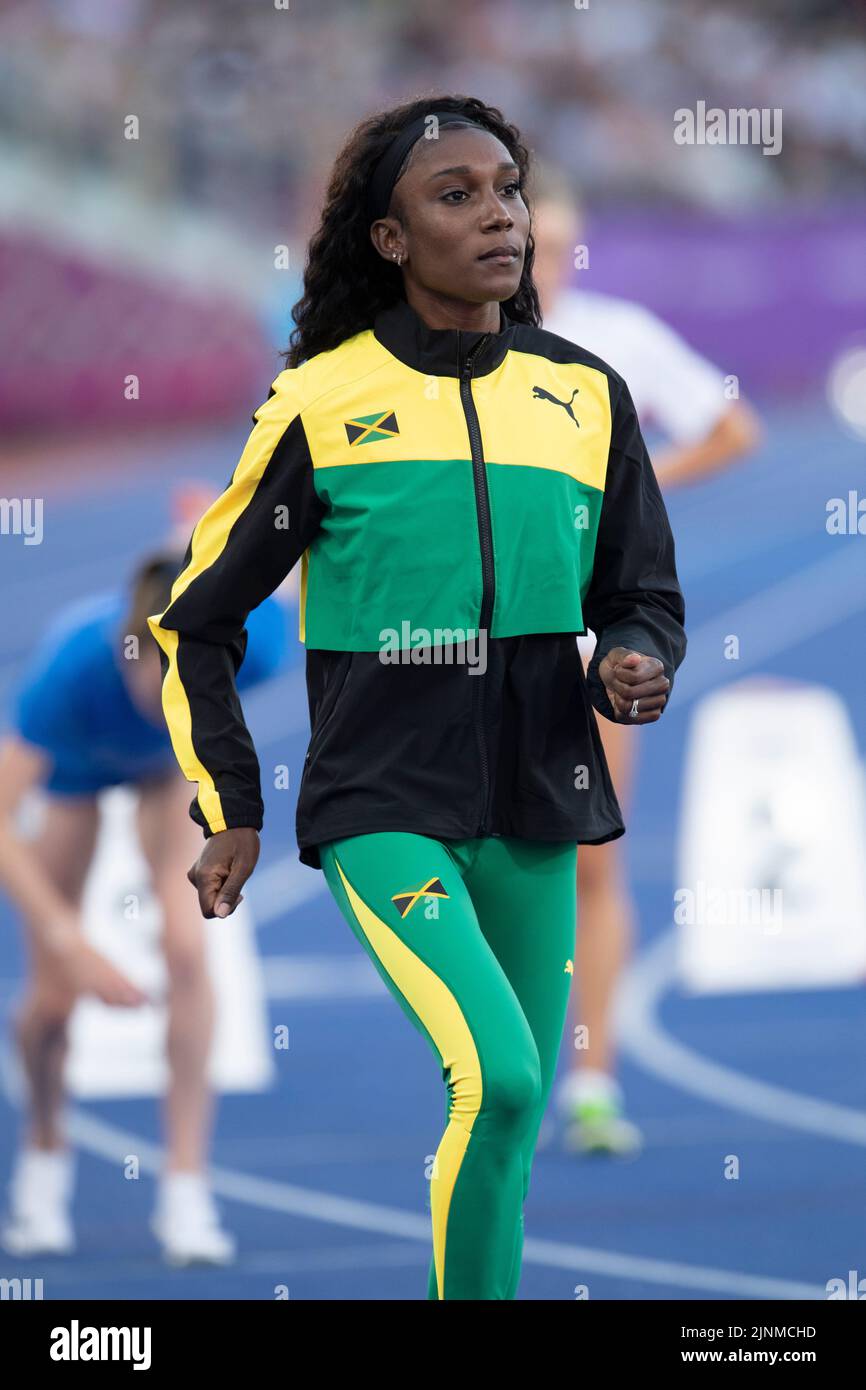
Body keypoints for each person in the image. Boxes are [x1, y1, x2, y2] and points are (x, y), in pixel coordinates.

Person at [147, 94, 687, 1301]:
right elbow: (195, 621)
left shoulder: (585, 394)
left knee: (513, 1116)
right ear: (388, 240)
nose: (499, 215)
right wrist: (228, 803)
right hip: (382, 797)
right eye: (456, 196)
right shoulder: (319, 402)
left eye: (507, 189)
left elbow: (643, 593)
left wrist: (634, 659)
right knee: (491, 1076)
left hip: (541, 797)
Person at [532, 167, 761, 1155]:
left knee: (590, 859)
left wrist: (631, 486)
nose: (529, 260)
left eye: (548, 245)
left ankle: (590, 1083)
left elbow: (730, 427)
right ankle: (499, 1075)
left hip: (589, 637)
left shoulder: (613, 337)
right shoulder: (440, 344)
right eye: (515, 238)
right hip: (463, 650)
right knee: (487, 861)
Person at [0, 550, 286, 1263]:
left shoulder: (259, 644)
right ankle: (44, 1154)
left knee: (189, 948)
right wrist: (69, 938)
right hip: (76, 771)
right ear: (129, 654)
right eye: (152, 681)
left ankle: (185, 1187)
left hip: (167, 772)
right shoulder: (70, 674)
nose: (162, 698)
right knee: (54, 1001)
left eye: (182, 686)